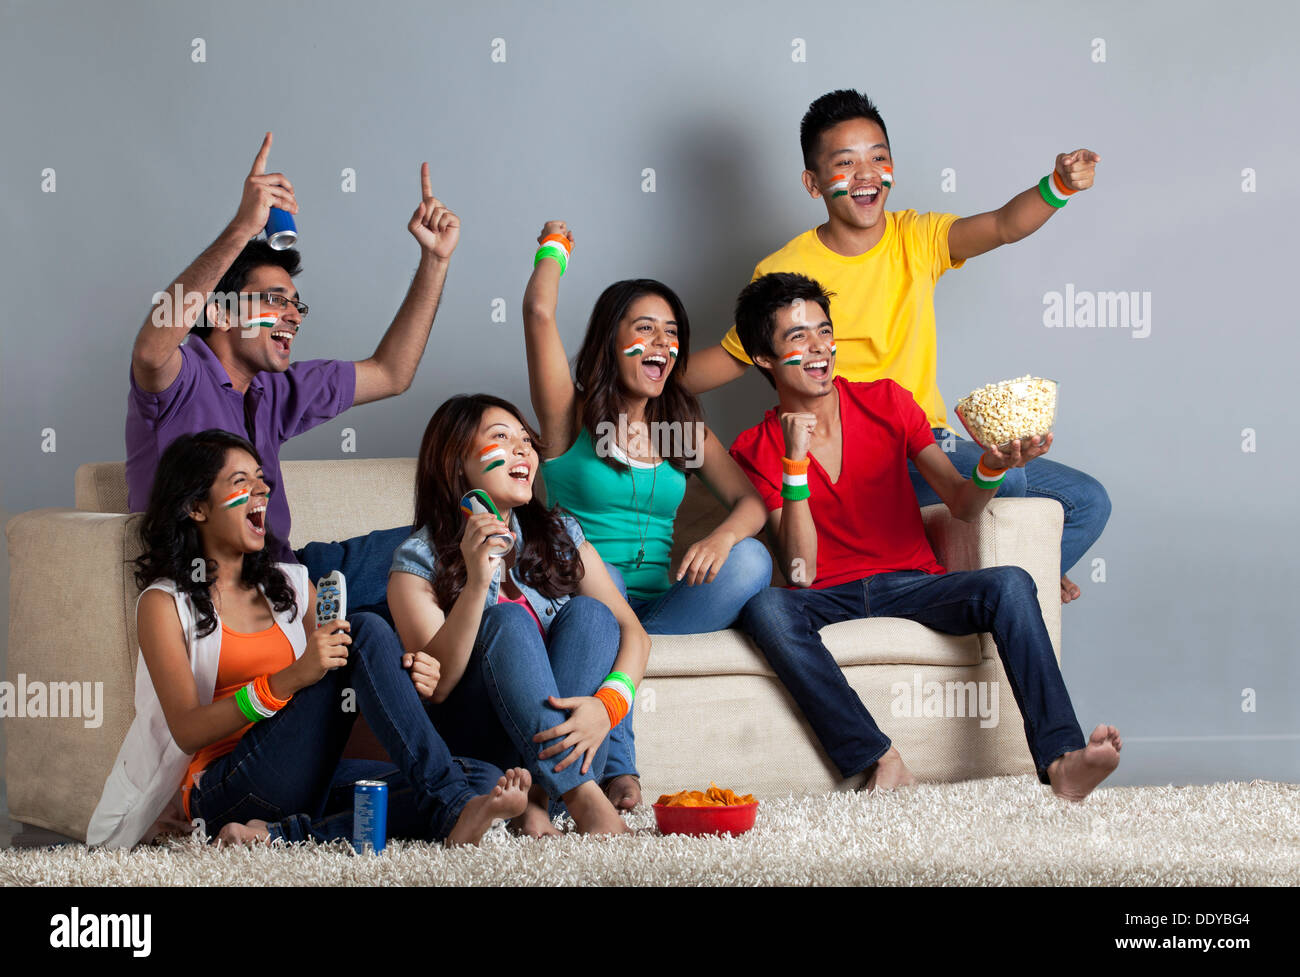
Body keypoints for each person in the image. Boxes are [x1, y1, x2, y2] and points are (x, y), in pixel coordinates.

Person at [683, 90, 1111, 604]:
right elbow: (732, 358)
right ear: (812, 182)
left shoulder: (917, 236)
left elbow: (1002, 225)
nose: (866, 173)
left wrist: (1058, 184)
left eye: (878, 157)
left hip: (923, 442)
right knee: (1011, 487)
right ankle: (971, 587)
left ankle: (1023, 577)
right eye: (846, 162)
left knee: (1087, 501)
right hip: (850, 452)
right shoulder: (785, 270)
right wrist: (623, 379)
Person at [727, 273, 1121, 800]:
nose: (819, 348)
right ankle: (881, 759)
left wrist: (989, 468)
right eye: (798, 338)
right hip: (825, 596)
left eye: (824, 331)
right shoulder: (755, 446)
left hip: (911, 584)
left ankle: (1062, 759)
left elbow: (961, 504)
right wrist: (793, 465)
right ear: (764, 359)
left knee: (1010, 583)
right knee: (767, 609)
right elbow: (803, 569)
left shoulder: (889, 403)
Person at [88, 429, 529, 849]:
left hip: (310, 776)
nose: (262, 494)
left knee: (482, 779)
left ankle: (282, 837)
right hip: (228, 787)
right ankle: (452, 808)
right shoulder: (166, 603)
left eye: (262, 483)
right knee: (366, 630)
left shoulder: (294, 584)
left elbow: (336, 690)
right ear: (197, 508)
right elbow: (186, 729)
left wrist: (407, 671)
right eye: (242, 483)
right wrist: (287, 680)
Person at [126, 132, 458, 609]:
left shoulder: (275, 388)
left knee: (445, 544)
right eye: (273, 301)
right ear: (220, 313)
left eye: (295, 303)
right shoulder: (181, 375)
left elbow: (391, 373)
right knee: (375, 626)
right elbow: (151, 348)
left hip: (291, 576)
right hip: (222, 587)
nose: (294, 315)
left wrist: (435, 261)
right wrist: (243, 227)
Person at [521, 221, 773, 810]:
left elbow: (752, 505)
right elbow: (537, 313)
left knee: (753, 559)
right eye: (644, 329)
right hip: (583, 598)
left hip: (660, 606)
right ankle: (619, 769)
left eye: (671, 333)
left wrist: (721, 540)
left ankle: (630, 660)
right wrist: (553, 251)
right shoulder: (568, 416)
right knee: (602, 605)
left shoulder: (679, 430)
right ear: (611, 340)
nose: (661, 344)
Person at [386, 395, 651, 836]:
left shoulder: (561, 533)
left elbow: (633, 633)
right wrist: (476, 582)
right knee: (507, 622)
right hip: (484, 755)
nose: (523, 449)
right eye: (502, 438)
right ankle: (584, 800)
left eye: (526, 440)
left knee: (592, 614)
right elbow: (438, 687)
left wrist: (609, 707)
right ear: (456, 463)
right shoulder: (416, 560)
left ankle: (540, 800)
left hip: (572, 745)